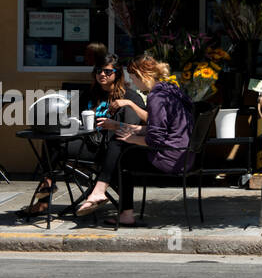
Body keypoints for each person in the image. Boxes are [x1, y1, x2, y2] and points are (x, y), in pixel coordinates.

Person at [22, 44, 144, 216]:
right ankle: (46, 190)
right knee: (51, 141)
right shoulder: (89, 94)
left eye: (108, 71)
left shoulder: (130, 97)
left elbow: (135, 127)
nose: (102, 74)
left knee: (119, 160)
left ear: (117, 74)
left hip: (110, 149)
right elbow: (75, 119)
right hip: (88, 144)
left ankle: (106, 198)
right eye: (98, 71)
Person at [73, 54, 194, 226]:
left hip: (169, 158)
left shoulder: (156, 97)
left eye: (133, 77)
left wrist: (129, 137)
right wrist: (120, 126)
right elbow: (157, 129)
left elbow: (156, 140)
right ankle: (114, 204)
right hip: (183, 156)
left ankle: (104, 194)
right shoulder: (171, 90)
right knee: (121, 142)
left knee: (119, 152)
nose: (133, 82)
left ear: (141, 75)